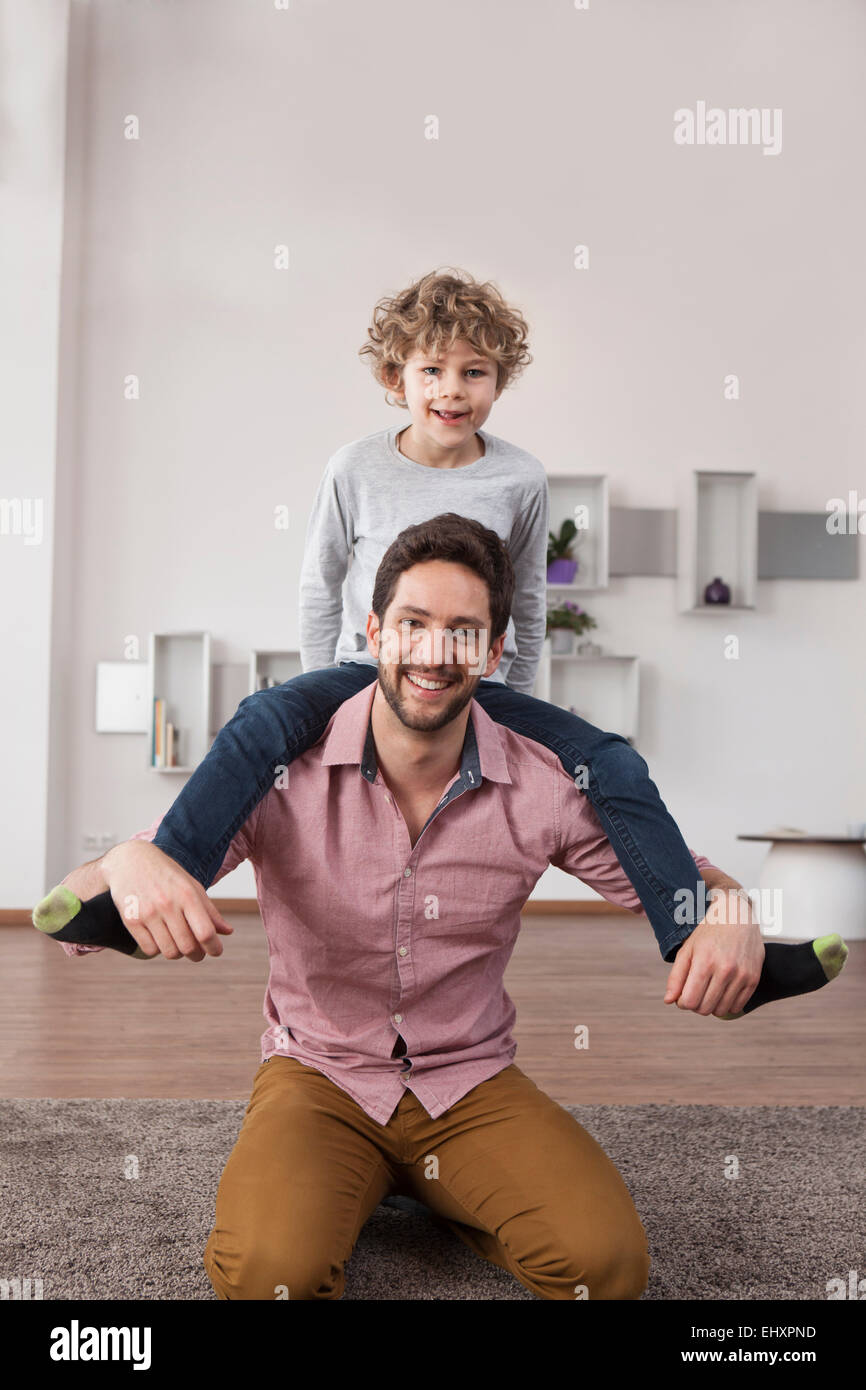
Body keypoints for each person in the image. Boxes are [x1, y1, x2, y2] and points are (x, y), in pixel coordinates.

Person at [53, 517, 845, 1299]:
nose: (435, 652)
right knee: (270, 1275)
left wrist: (732, 907)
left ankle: (431, 1190)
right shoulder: (278, 768)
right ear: (374, 631)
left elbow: (677, 881)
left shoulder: (545, 782)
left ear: (495, 653)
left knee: (606, 1270)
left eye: (464, 632)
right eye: (413, 625)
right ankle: (382, 1181)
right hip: (320, 1075)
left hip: (468, 1080)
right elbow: (93, 902)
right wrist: (126, 861)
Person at [36, 268, 845, 1016]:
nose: (452, 391)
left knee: (613, 759)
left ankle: (696, 934)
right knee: (262, 719)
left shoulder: (521, 477)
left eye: (474, 373)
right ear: (398, 380)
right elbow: (319, 583)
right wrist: (330, 695)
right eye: (432, 371)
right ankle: (152, 887)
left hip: (478, 675)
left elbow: (524, 592)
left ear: (499, 381)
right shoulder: (354, 467)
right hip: (363, 669)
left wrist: (518, 700)